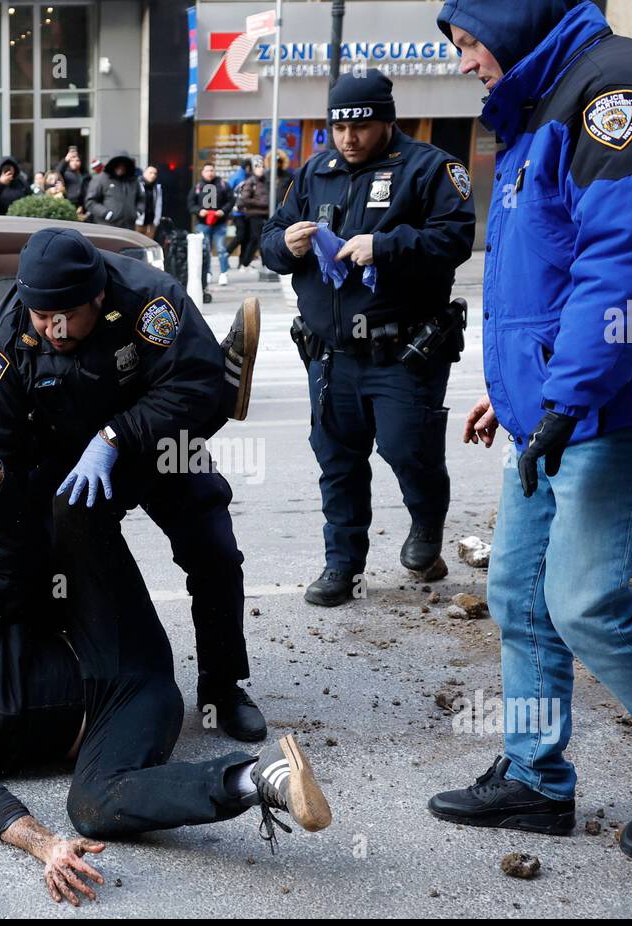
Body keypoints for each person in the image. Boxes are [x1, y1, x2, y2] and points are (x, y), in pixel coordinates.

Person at [429, 0, 632, 862]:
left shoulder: (621, 87)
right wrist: (523, 392)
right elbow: (555, 272)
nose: (462, 62)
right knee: (519, 596)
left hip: (623, 403)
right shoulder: (548, 102)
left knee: (583, 600)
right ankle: (534, 778)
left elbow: (631, 261)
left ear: (511, 16)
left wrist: (566, 395)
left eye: (466, 40)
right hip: (565, 403)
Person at [0, 485, 331, 906]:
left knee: (67, 499)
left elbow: (16, 571)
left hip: (105, 630)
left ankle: (115, 438)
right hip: (126, 712)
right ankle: (260, 777)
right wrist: (46, 846)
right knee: (93, 808)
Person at [0, 227, 267, 742]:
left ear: (98, 296)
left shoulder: (150, 299)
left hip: (157, 439)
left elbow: (194, 385)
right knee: (69, 561)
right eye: (44, 319)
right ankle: (116, 685)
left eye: (67, 317)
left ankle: (223, 687)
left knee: (213, 552)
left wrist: (115, 436)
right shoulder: (3, 335)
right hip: (69, 457)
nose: (55, 330)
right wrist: (2, 521)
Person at [259, 69, 476, 606]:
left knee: (409, 450)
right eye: (338, 127)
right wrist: (286, 244)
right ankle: (342, 567)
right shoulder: (314, 172)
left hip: (402, 350)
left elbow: (456, 239)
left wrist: (385, 246)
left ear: (386, 119)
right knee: (337, 462)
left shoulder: (430, 168)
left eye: (360, 126)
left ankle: (426, 525)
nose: (348, 138)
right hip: (331, 354)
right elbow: (268, 242)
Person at [188, 163, 235, 287]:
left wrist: (223, 211)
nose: (210, 173)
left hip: (220, 223)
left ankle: (223, 273)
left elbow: (231, 201)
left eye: (212, 170)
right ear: (202, 172)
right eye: (207, 170)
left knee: (221, 249)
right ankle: (207, 273)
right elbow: (190, 203)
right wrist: (199, 211)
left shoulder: (223, 185)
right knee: (205, 250)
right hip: (203, 224)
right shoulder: (198, 186)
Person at [84, 151, 140, 230]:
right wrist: (105, 213)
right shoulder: (100, 179)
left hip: (129, 227)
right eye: (118, 165)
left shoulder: (133, 181)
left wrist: (137, 212)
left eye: (124, 165)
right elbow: (90, 202)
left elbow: (141, 198)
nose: (121, 167)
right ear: (112, 164)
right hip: (107, 227)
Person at [234, 156, 270, 272]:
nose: (261, 169)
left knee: (257, 239)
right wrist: (261, 203)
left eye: (262, 167)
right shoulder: (251, 181)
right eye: (258, 167)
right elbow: (244, 199)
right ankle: (256, 263)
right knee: (257, 239)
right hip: (254, 215)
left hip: (265, 214)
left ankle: (247, 263)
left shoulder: (266, 180)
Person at [136, 164, 164, 239]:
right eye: (150, 173)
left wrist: (156, 221)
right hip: (137, 222)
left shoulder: (157, 188)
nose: (153, 175)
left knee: (148, 246)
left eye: (155, 173)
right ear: (144, 173)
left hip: (151, 223)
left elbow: (158, 205)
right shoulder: (137, 185)